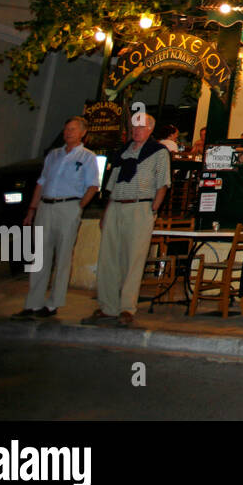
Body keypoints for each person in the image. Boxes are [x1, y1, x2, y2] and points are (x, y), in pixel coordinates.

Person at [81, 114, 169, 328]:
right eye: (133, 127)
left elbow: (163, 182)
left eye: (140, 127)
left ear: (150, 129)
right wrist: (107, 211)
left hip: (140, 205)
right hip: (117, 204)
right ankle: (107, 306)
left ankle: (127, 308)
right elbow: (113, 183)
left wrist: (153, 209)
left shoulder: (157, 152)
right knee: (108, 257)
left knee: (133, 259)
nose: (136, 130)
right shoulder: (123, 152)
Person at [13, 117, 100, 320]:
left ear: (82, 133)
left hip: (68, 206)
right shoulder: (53, 155)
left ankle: (53, 304)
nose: (68, 133)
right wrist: (32, 209)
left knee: (62, 257)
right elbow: (41, 182)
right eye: (66, 129)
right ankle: (33, 303)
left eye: (73, 129)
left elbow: (93, 186)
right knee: (40, 256)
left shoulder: (87, 157)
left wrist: (78, 207)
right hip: (46, 206)